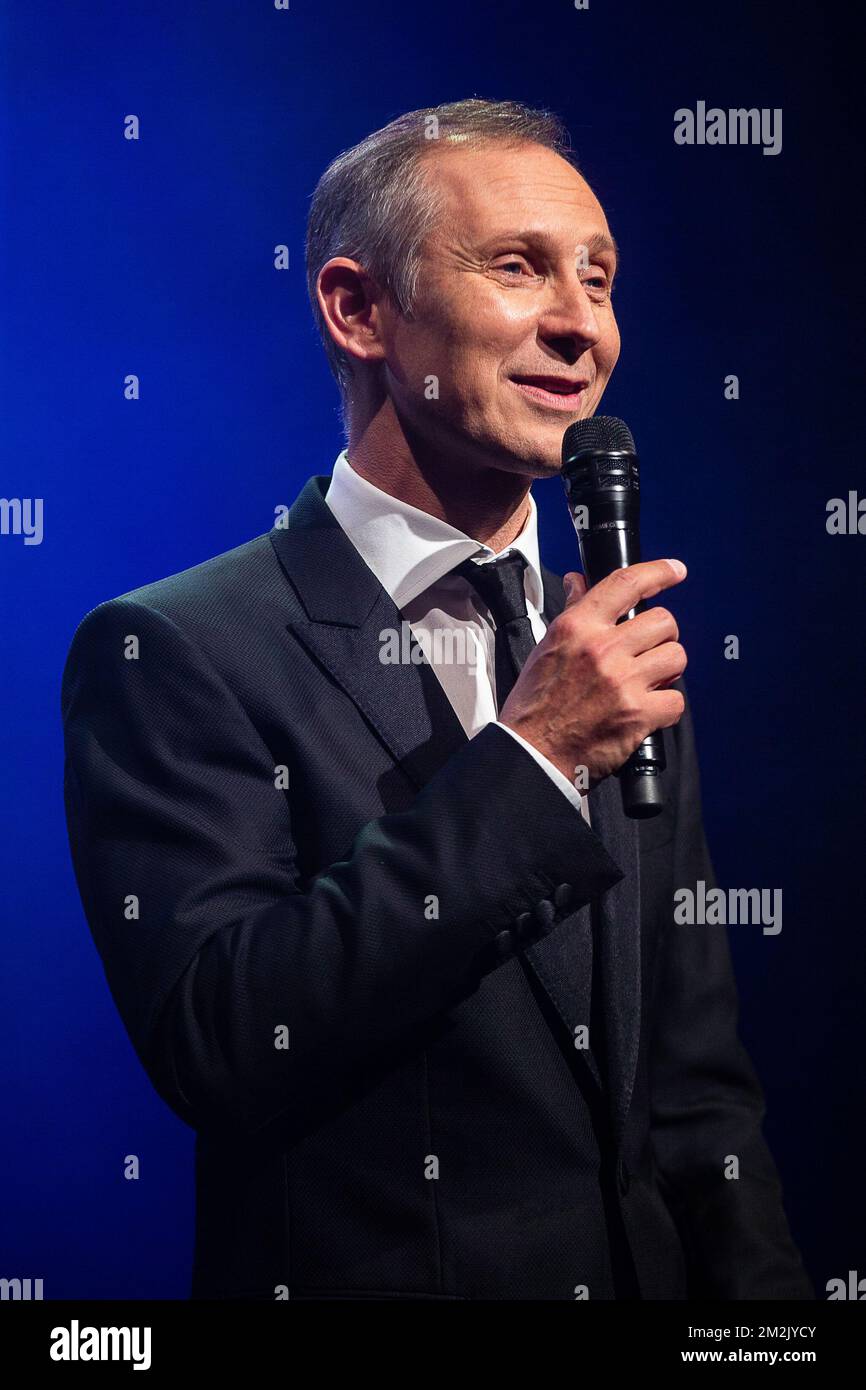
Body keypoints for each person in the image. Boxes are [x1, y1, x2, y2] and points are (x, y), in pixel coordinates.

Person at [61, 98, 812, 1300]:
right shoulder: (174, 648)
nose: (580, 325)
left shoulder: (600, 638)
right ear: (359, 310)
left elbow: (696, 1086)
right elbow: (224, 1042)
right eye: (517, 268)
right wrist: (531, 755)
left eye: (599, 278)